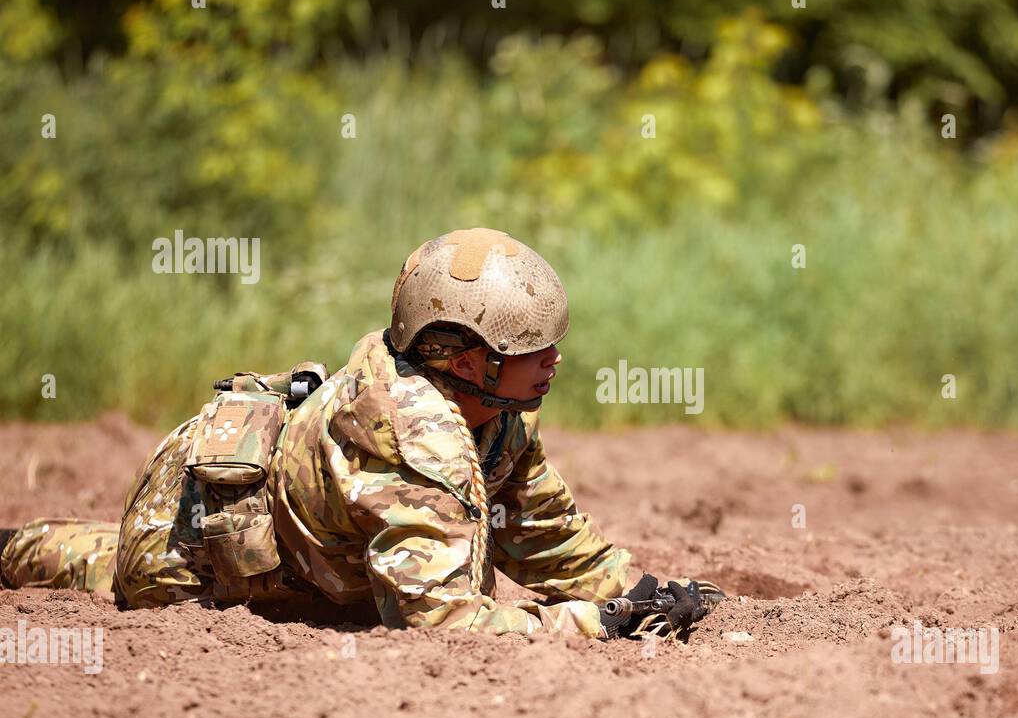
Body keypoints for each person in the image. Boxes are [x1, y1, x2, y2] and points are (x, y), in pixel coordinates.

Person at [0, 227, 722, 638]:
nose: (556, 357)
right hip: (191, 555)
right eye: (533, 347)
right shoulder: (415, 438)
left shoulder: (491, 414)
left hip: (294, 543)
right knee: (109, 569)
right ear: (467, 358)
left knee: (83, 551)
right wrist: (599, 625)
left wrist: (640, 590)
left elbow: (542, 534)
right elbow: (439, 624)